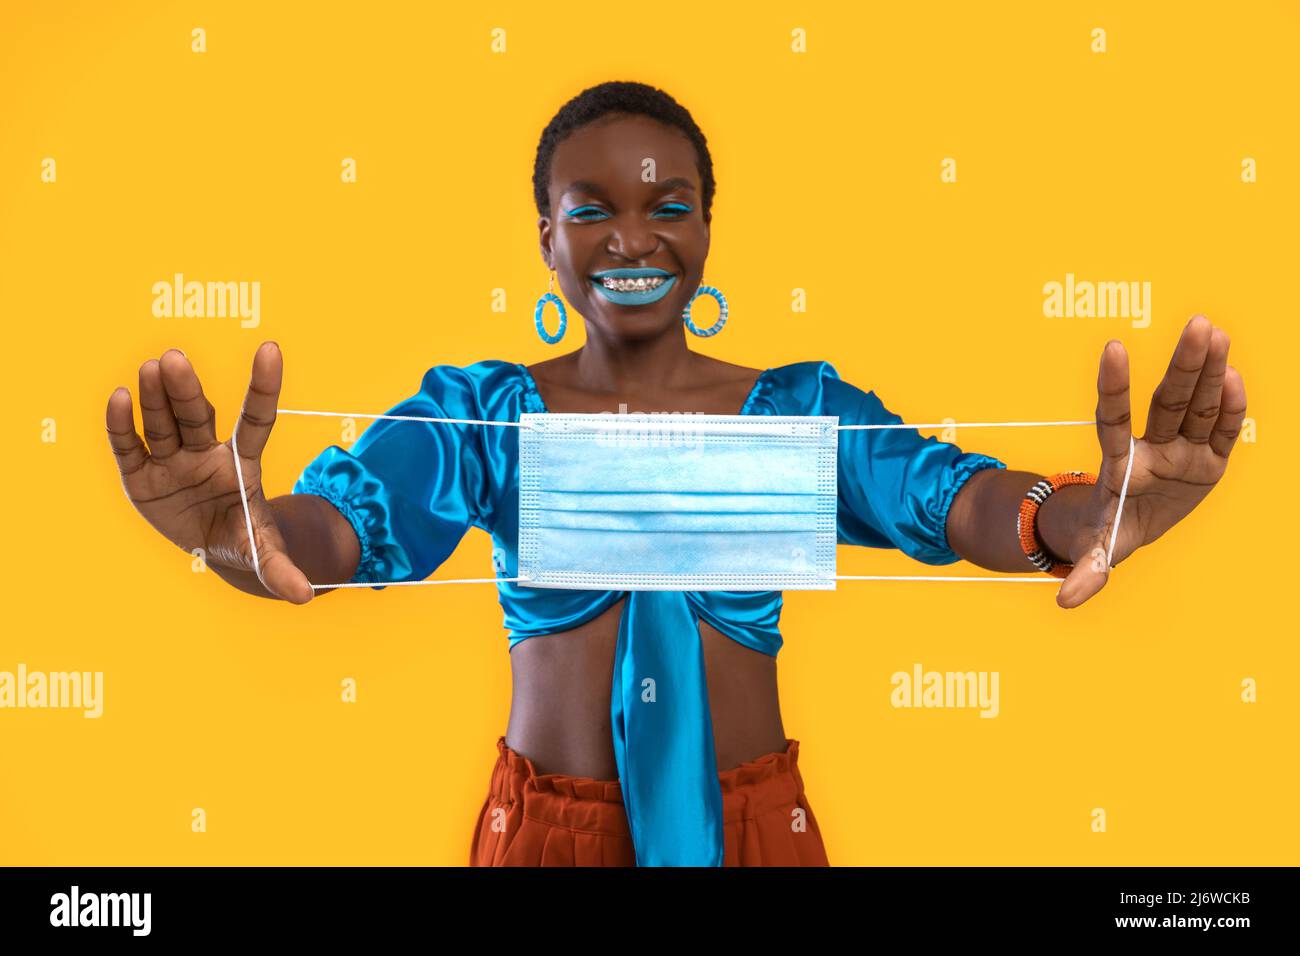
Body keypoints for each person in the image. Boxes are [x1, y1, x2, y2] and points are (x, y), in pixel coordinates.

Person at [104, 81, 1247, 867]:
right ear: (544, 238)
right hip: (549, 836)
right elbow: (345, 527)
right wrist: (233, 529)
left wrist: (1082, 514)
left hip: (750, 826)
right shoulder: (486, 412)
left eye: (667, 206)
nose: (631, 238)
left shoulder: (795, 411)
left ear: (707, 228)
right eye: (589, 210)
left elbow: (948, 498)